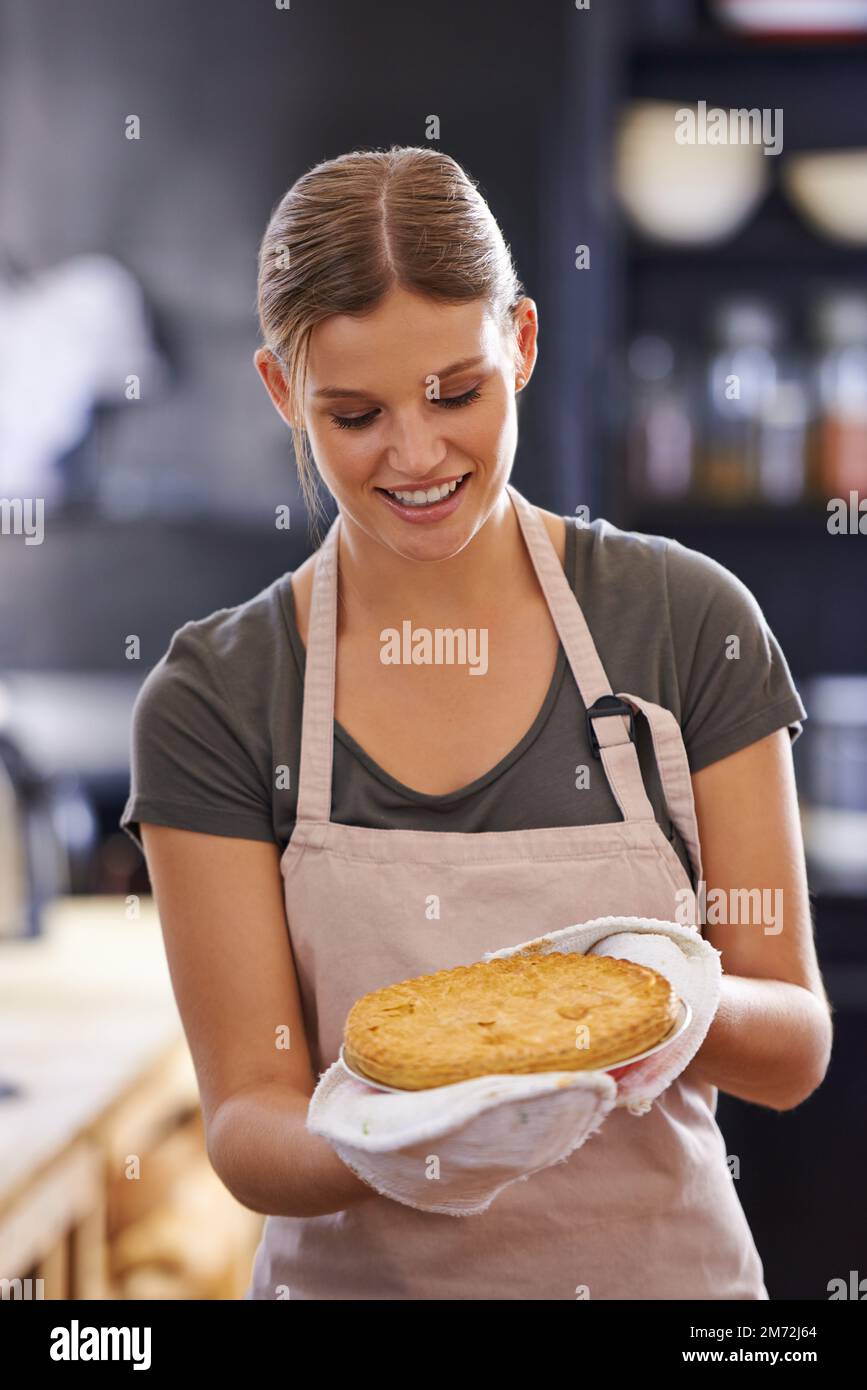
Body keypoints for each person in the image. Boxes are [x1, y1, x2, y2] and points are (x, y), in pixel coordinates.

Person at [121, 145, 832, 1300]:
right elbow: (250, 1119)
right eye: (353, 415)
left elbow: (794, 1043)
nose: (416, 454)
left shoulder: (686, 621)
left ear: (525, 344)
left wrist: (656, 994)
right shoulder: (218, 696)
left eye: (458, 392)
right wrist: (395, 1149)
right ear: (279, 392)